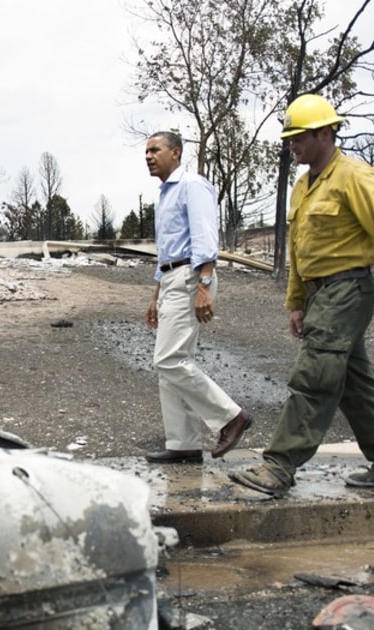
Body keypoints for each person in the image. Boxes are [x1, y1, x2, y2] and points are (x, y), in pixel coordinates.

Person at [229, 94, 374, 498]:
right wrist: (296, 303)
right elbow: (299, 252)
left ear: (325, 132)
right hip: (320, 294)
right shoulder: (302, 187)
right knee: (354, 382)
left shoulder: (354, 175)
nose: (293, 145)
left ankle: (278, 466)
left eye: (299, 137)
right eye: (290, 138)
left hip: (349, 288)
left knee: (315, 374)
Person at [143, 130, 253, 464]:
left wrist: (204, 284)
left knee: (169, 359)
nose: (148, 157)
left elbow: (204, 236)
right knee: (171, 365)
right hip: (172, 278)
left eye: (155, 150)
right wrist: (156, 292)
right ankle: (183, 444)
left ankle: (231, 417)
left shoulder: (192, 185)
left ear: (175, 152)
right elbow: (169, 250)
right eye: (146, 152)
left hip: (191, 277)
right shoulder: (165, 194)